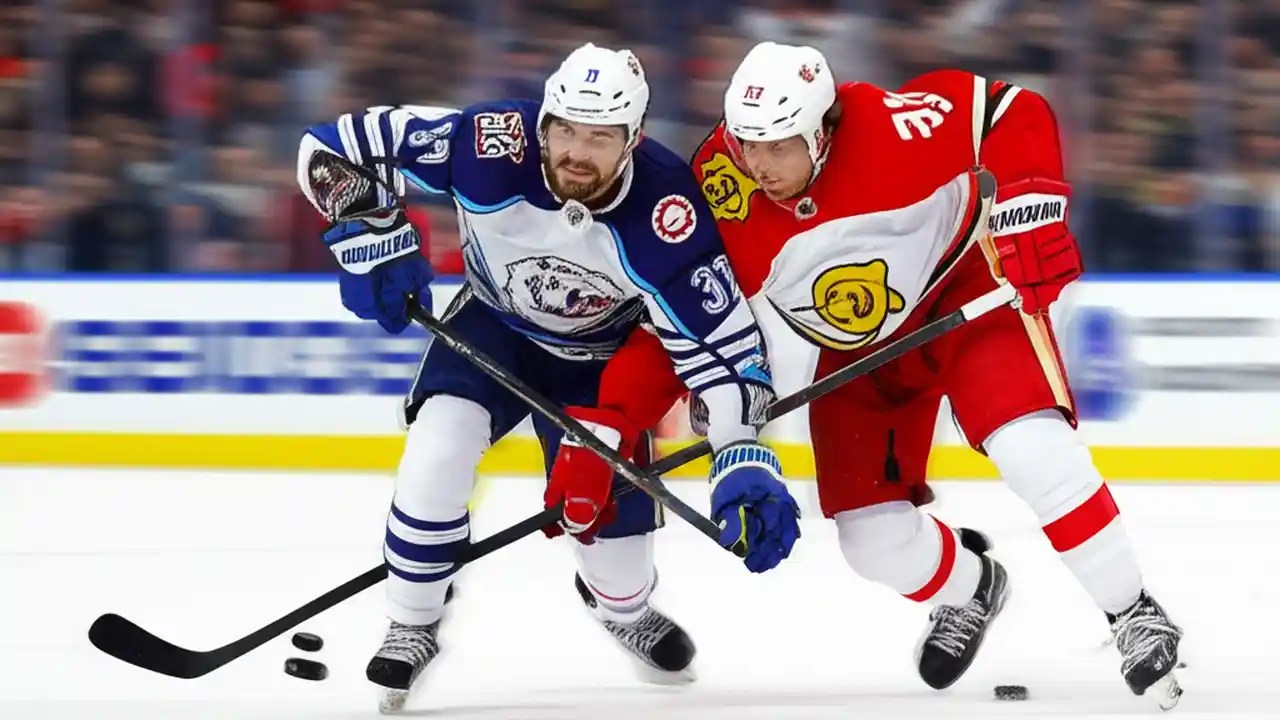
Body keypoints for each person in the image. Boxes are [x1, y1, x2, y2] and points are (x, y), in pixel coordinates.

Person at [586, 41, 1183, 708]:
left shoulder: (896, 126)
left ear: (823, 128)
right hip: (854, 356)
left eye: (779, 145)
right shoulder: (722, 188)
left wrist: (1030, 201)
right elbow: (694, 311)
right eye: (746, 142)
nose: (758, 164)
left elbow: (1011, 111)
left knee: (1030, 448)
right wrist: (672, 409)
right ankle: (973, 589)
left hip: (962, 297)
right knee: (872, 544)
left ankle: (1133, 612)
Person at [295, 43, 801, 713]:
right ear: (544, 123)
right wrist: (370, 229)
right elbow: (333, 147)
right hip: (492, 328)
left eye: (600, 137)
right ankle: (412, 620)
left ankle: (619, 607)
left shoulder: (666, 215)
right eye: (564, 129)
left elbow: (727, 352)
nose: (577, 152)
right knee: (435, 456)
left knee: (618, 567)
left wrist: (741, 457)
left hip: (598, 365)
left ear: (634, 138)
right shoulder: (486, 142)